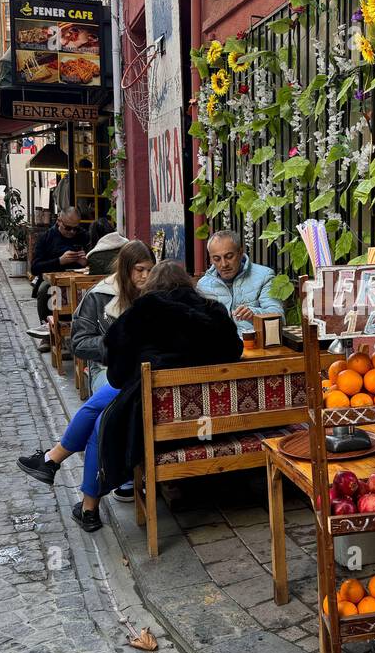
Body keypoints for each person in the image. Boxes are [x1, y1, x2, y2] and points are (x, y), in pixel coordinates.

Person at [17, 259, 242, 532]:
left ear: (154, 285)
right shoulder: (214, 312)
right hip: (206, 421)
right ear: (188, 284)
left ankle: (87, 506)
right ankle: (52, 462)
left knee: (101, 420)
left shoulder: (141, 313)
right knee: (101, 409)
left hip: (148, 423)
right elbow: (234, 351)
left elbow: (116, 375)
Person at [71, 239, 154, 392]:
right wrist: (116, 344)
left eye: (150, 270)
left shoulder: (156, 294)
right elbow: (79, 343)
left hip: (148, 368)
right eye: (140, 269)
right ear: (125, 269)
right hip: (106, 368)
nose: (145, 276)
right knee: (118, 395)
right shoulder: (98, 295)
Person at [196, 230, 285, 337]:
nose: (224, 264)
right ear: (210, 259)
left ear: (240, 252)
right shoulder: (203, 285)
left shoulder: (264, 276)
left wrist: (254, 314)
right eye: (217, 259)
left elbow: (279, 318)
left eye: (229, 256)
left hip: (255, 347)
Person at [28, 207, 90, 348]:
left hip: (77, 279)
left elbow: (93, 258)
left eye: (76, 228)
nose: (72, 232)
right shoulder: (47, 238)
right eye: (68, 228)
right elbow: (35, 267)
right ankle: (48, 332)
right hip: (54, 281)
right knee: (45, 290)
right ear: (59, 221)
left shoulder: (83, 235)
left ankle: (82, 332)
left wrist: (86, 261)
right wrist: (59, 261)